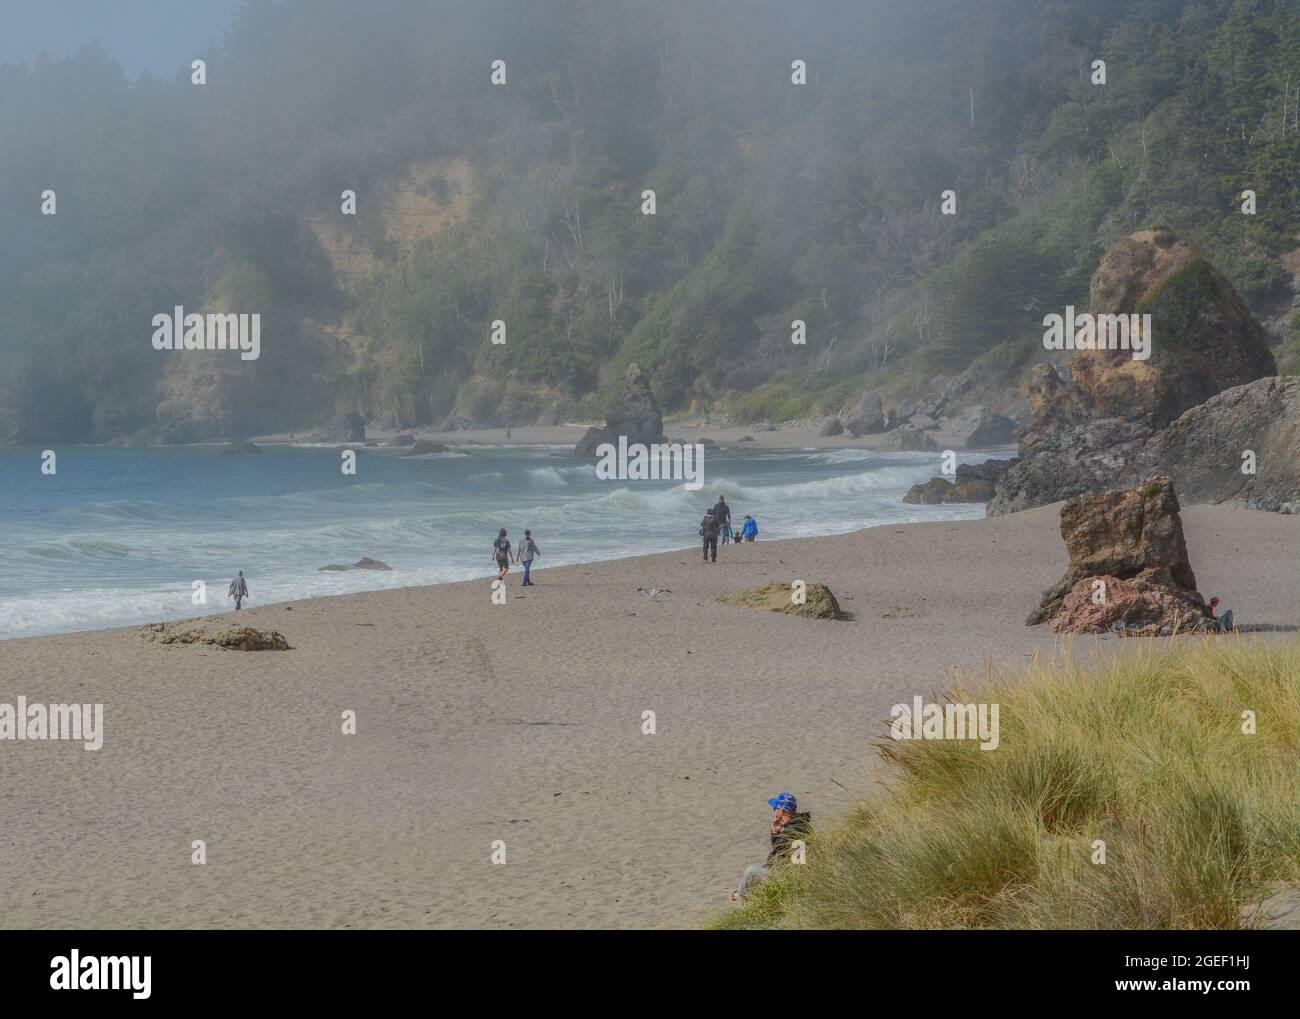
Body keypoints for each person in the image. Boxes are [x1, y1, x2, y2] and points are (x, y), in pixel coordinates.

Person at [732, 792, 812, 902]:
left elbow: (779, 849)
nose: (774, 810)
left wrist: (774, 832)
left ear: (782, 811)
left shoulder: (791, 831)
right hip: (800, 875)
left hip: (790, 879)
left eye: (775, 808)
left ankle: (741, 897)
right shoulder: (802, 825)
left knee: (751, 870)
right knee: (760, 873)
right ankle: (744, 895)